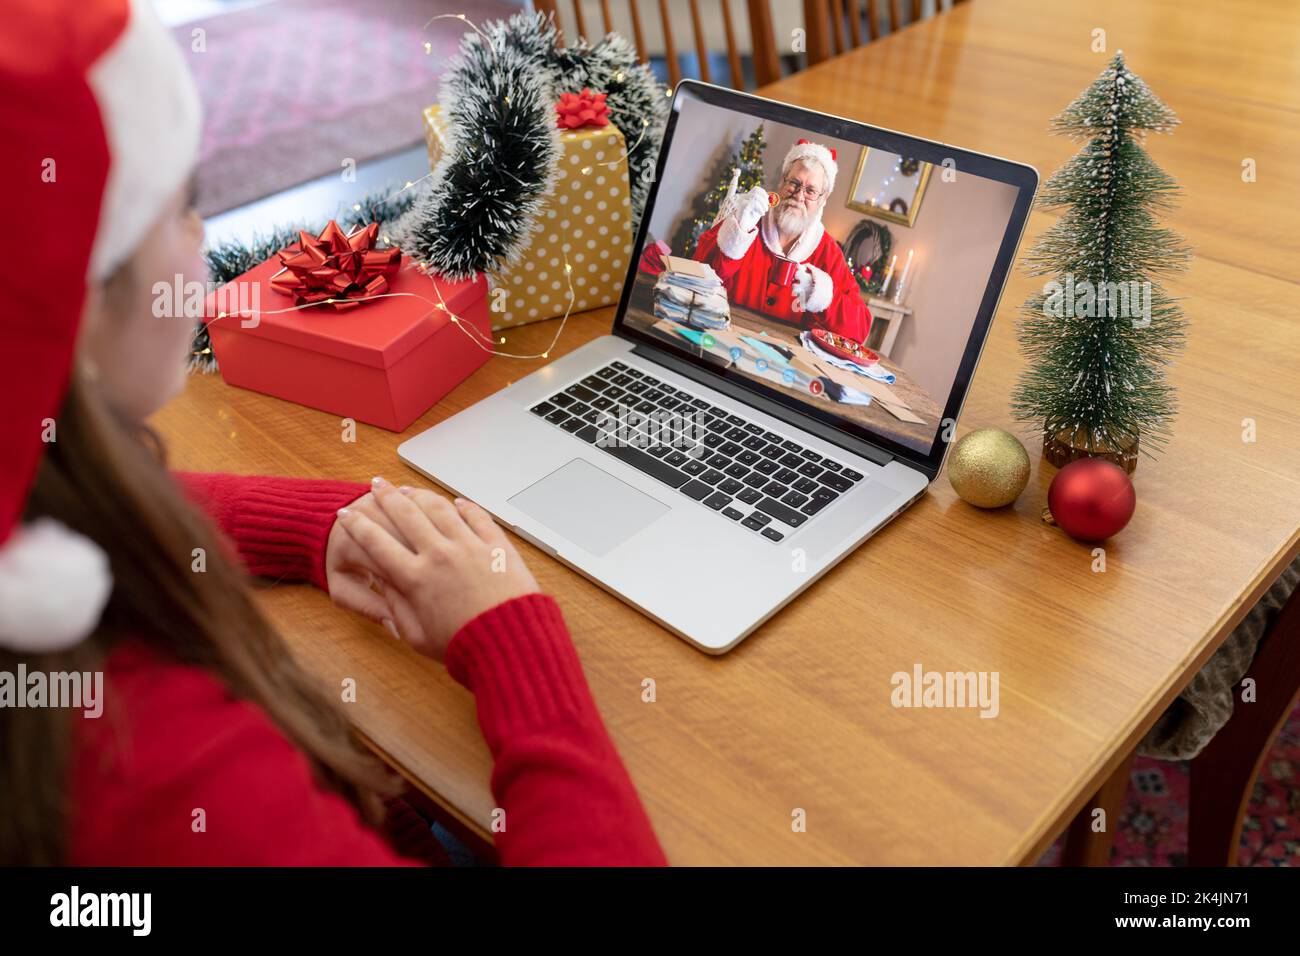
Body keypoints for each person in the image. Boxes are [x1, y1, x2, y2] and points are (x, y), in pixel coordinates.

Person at [0, 0, 665, 867]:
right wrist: (513, 638)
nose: (202, 236)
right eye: (182, 206)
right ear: (71, 304)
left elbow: (96, 504)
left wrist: (320, 525)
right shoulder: (170, 783)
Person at [693, 138, 872, 343]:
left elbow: (860, 330)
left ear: (823, 199)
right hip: (721, 338)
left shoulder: (828, 252)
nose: (798, 196)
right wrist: (736, 236)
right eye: (794, 183)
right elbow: (695, 277)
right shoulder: (747, 220)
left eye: (811, 191)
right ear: (782, 181)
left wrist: (825, 298)